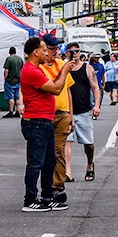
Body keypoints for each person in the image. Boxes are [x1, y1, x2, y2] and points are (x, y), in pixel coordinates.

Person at [18, 36, 78, 212]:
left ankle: (47, 196)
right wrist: (65, 70)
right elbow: (56, 88)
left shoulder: (37, 69)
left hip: (45, 120)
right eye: (44, 50)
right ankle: (30, 199)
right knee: (36, 162)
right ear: (35, 52)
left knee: (49, 161)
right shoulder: (31, 70)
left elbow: (55, 85)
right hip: (36, 121)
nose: (47, 53)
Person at [44, 35, 75, 207]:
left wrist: (71, 115)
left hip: (62, 114)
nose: (56, 51)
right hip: (45, 114)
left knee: (58, 151)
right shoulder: (39, 67)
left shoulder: (63, 65)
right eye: (52, 48)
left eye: (57, 48)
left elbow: (68, 91)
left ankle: (57, 186)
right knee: (45, 154)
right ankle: (45, 186)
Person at [68, 42, 102, 182]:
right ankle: (68, 172)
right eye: (71, 51)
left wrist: (97, 106)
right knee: (66, 141)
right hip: (67, 111)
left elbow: (95, 88)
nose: (74, 54)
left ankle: (89, 164)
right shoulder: (64, 68)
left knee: (88, 143)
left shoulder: (87, 68)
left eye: (76, 51)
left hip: (84, 110)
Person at [2, 46, 24, 118]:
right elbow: (22, 70)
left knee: (10, 97)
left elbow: (6, 70)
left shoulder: (9, 59)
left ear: (9, 52)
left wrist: (6, 78)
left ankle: (11, 111)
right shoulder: (20, 59)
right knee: (17, 97)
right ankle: (18, 111)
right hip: (18, 81)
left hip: (10, 81)